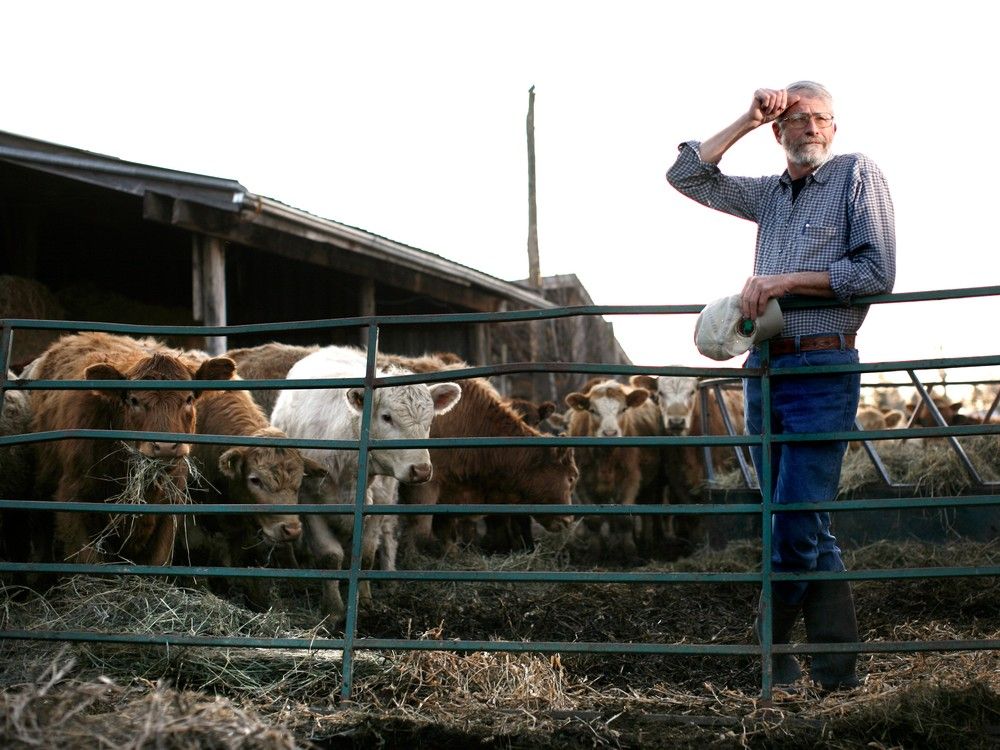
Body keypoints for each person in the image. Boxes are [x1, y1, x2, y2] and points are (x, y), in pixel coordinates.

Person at [667, 81, 896, 690]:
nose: (811, 127)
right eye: (796, 119)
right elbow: (686, 175)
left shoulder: (855, 176)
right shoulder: (769, 194)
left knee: (796, 518)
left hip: (822, 367)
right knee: (797, 521)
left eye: (821, 118)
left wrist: (783, 281)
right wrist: (745, 117)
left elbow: (877, 272)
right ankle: (836, 672)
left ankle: (770, 651)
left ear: (835, 127)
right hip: (765, 369)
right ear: (779, 132)